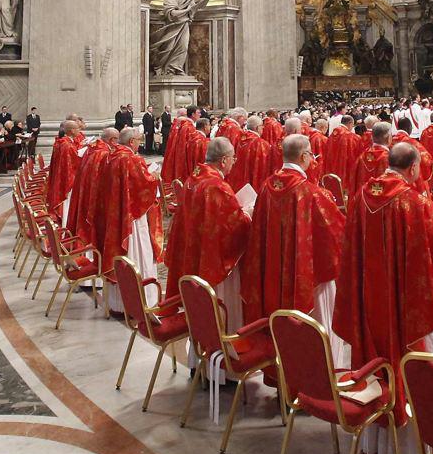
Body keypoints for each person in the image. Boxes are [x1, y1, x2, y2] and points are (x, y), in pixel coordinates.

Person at [336, 141, 433, 454]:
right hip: (408, 304)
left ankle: (375, 445)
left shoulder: (360, 197)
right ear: (413, 168)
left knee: (376, 359)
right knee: (416, 362)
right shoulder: (413, 202)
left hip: (368, 299)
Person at [240, 135, 345, 357]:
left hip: (274, 276)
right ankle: (319, 380)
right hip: (307, 277)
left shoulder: (267, 187)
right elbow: (335, 235)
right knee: (316, 330)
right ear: (304, 156)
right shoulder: (312, 193)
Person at [164, 137, 250, 326]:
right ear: (224, 160)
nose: (234, 162)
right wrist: (247, 215)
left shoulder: (195, 177)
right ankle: (221, 339)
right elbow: (231, 226)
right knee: (218, 307)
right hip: (212, 258)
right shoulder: (217, 186)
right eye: (233, 158)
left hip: (194, 249)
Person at [95, 128, 163, 315]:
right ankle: (140, 302)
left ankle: (118, 303)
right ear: (132, 141)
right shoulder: (130, 159)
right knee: (136, 254)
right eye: (139, 140)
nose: (140, 143)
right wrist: (154, 178)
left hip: (115, 214)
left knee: (120, 253)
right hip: (132, 219)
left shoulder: (111, 156)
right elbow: (142, 186)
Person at [46, 118, 83, 223]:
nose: (79, 131)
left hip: (63, 175)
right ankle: (66, 222)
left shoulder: (64, 142)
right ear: (71, 130)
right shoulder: (67, 145)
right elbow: (74, 163)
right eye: (77, 128)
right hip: (68, 180)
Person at [346, 121, 393, 197]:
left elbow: (353, 179)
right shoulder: (390, 158)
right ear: (389, 138)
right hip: (382, 204)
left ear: (372, 137)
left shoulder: (362, 156)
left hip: (362, 201)